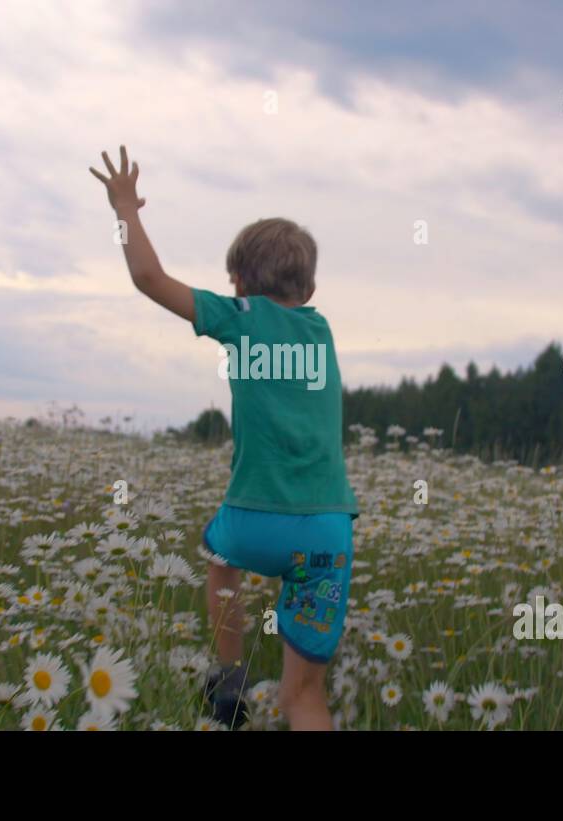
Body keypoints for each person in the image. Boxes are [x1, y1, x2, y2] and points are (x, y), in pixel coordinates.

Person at [89, 146, 358, 730]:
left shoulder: (239, 317)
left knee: (218, 555)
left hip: (254, 521)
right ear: (308, 292)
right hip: (328, 532)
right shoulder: (322, 330)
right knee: (304, 698)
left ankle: (228, 678)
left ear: (238, 282)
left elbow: (148, 279)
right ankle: (287, 702)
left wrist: (127, 210)